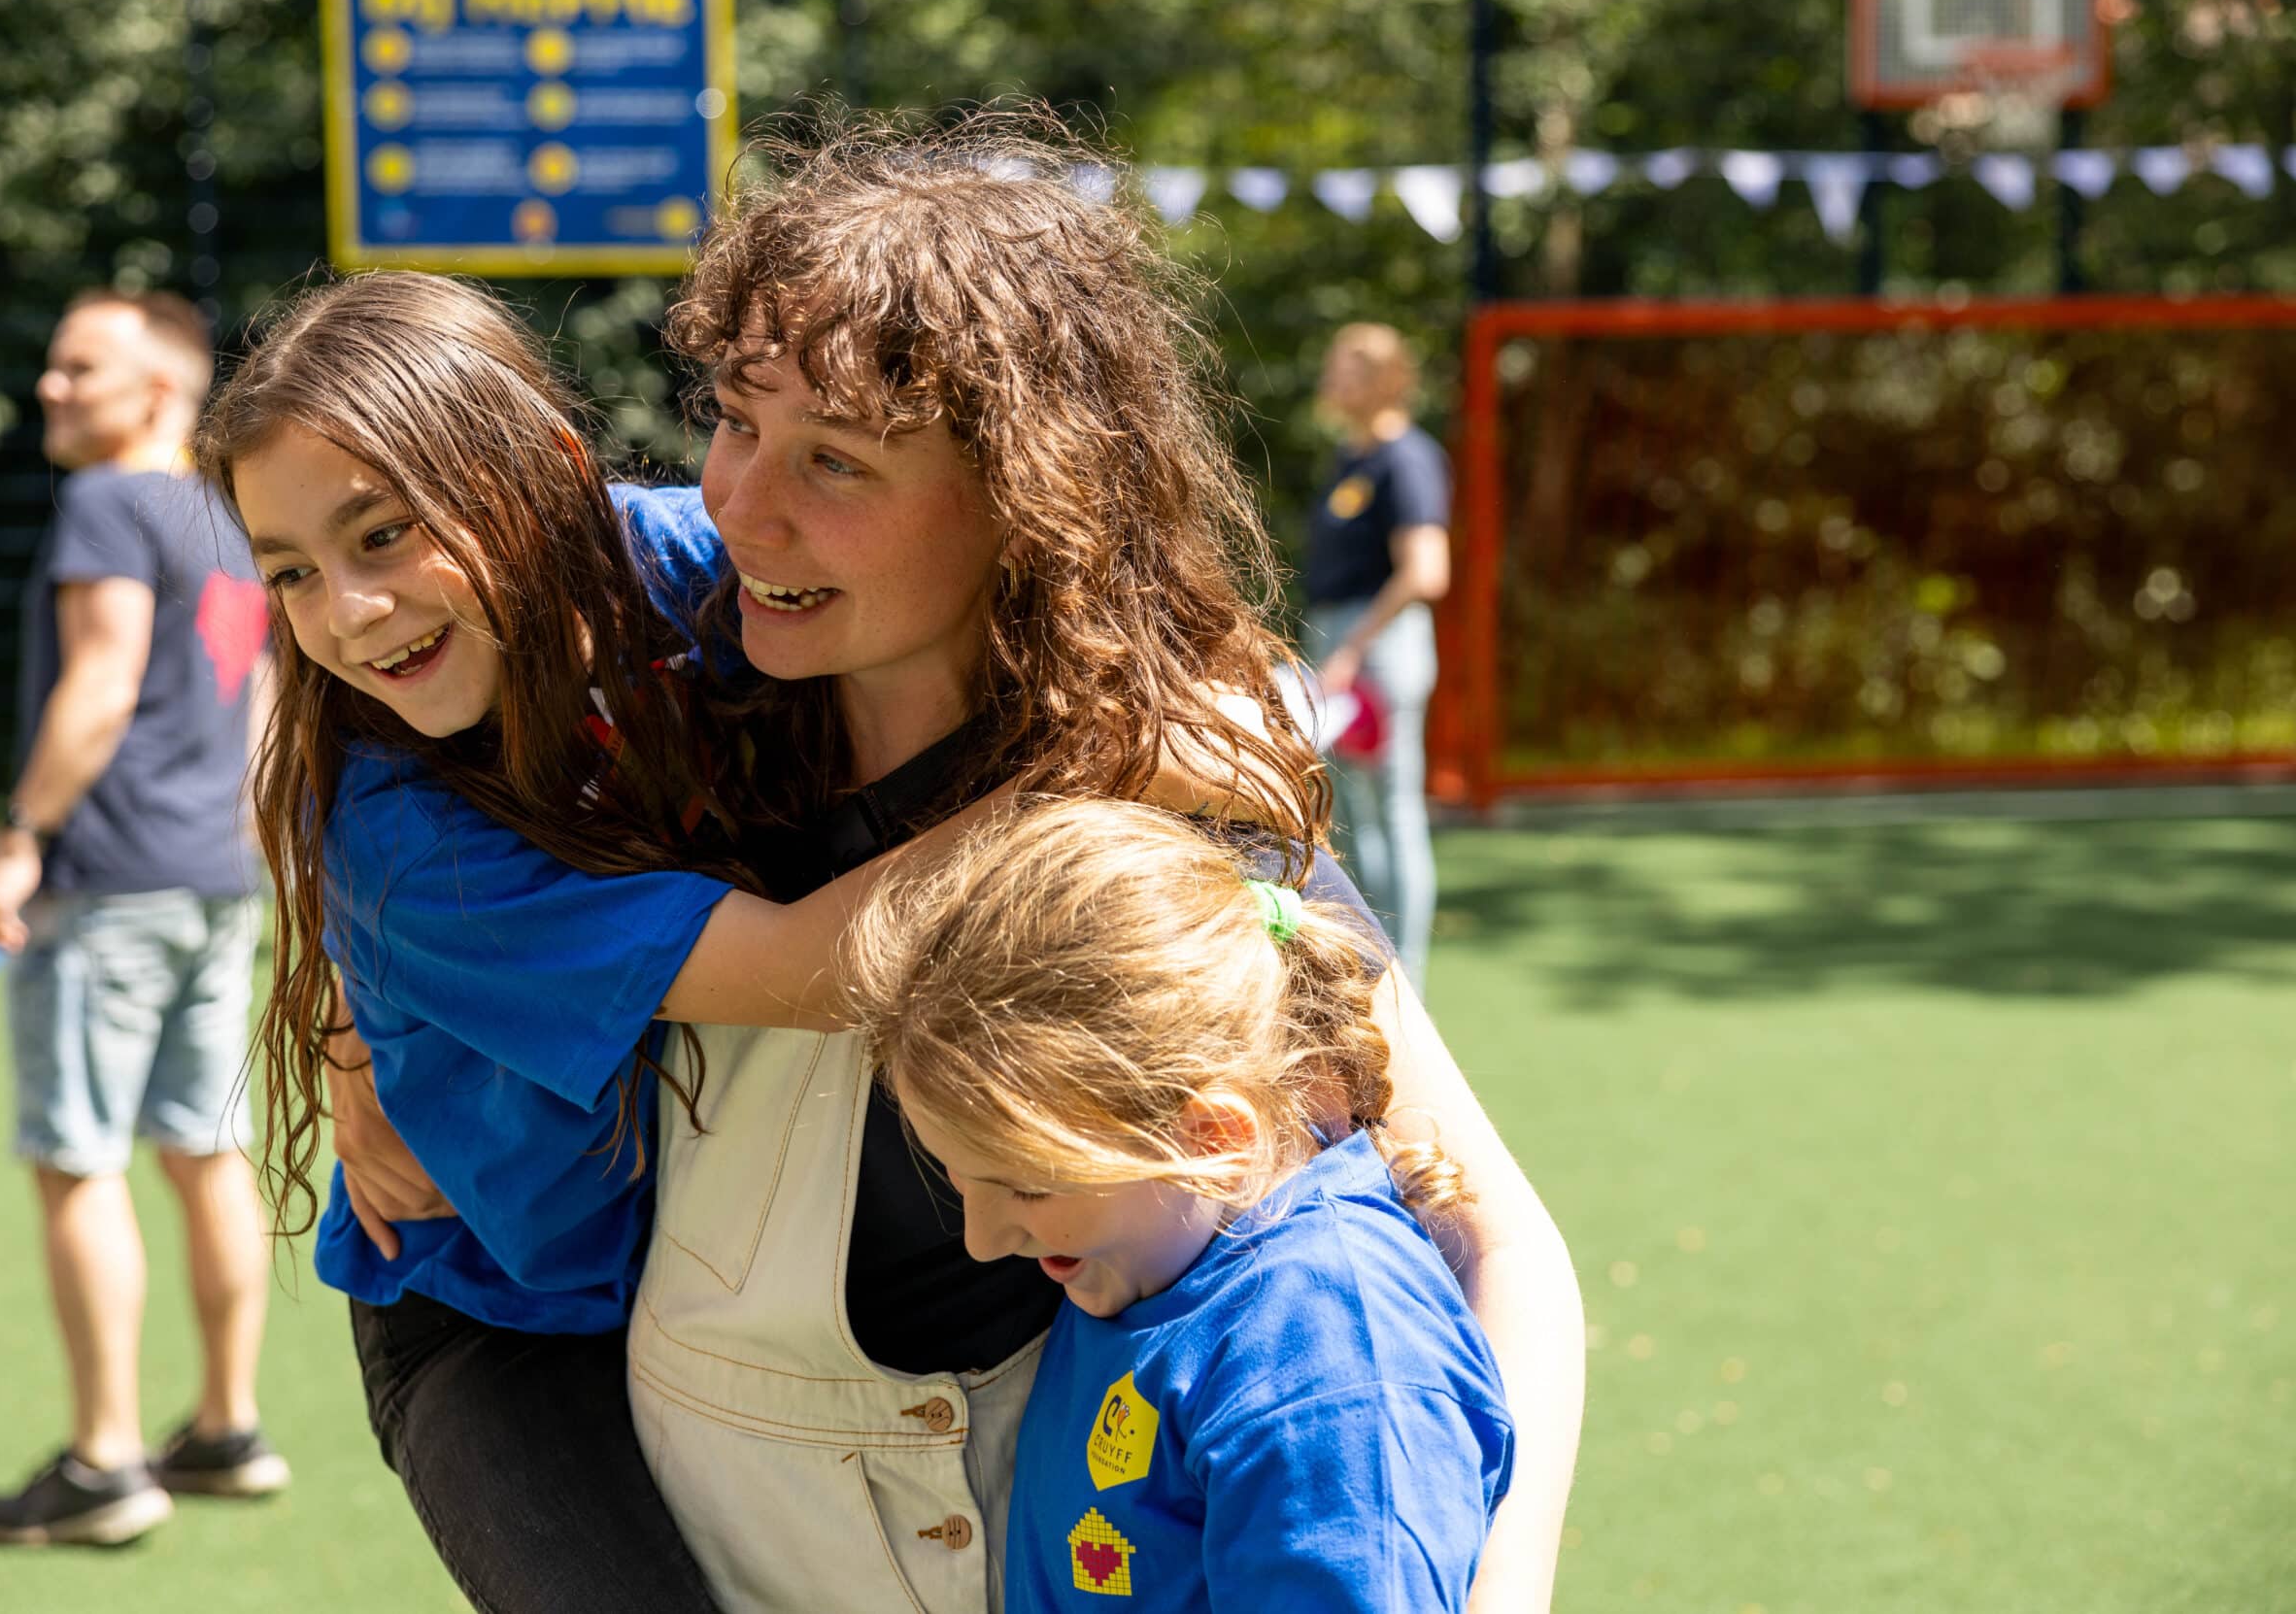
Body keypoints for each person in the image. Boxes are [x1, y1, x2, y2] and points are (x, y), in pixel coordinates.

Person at [289, 109, 1579, 1614]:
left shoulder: (1168, 804)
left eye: (837, 461)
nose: (740, 501)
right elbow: (387, 702)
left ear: (1032, 489)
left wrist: (1510, 1570)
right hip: (666, 1482)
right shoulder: (674, 696)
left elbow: (1486, 1222)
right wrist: (344, 1010)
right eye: (732, 417)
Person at [193, 267, 1252, 1611]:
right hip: (498, 1315)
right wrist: (1114, 766)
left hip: (703, 1261)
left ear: (551, 476)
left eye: (385, 533)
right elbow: (810, 968)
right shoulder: (405, 835)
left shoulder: (685, 571)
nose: (348, 610)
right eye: (292, 571)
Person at [846, 796, 1516, 1612]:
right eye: (962, 1181)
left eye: (1027, 1184)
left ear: (1210, 1139)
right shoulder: (1163, 1252)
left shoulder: (1328, 1370)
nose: (984, 1240)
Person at [0, 289, 286, 1546]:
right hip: (214, 877)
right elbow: (259, 689)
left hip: (106, 880)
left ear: (159, 390)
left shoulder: (106, 503)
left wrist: (20, 837)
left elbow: (100, 680)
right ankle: (225, 1424)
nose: (51, 384)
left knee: (78, 1157)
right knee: (208, 1148)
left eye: (80, 367)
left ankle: (105, 1461)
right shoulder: (221, 512)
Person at [1302, 322, 1452, 987]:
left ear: (1385, 378)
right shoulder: (1351, 459)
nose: (1332, 379)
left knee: (1392, 809)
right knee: (1355, 815)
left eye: (1348, 367)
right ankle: (1370, 967)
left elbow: (1427, 569)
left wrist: (1355, 648)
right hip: (1340, 644)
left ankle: (1404, 981)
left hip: (1377, 651)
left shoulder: (1405, 458)